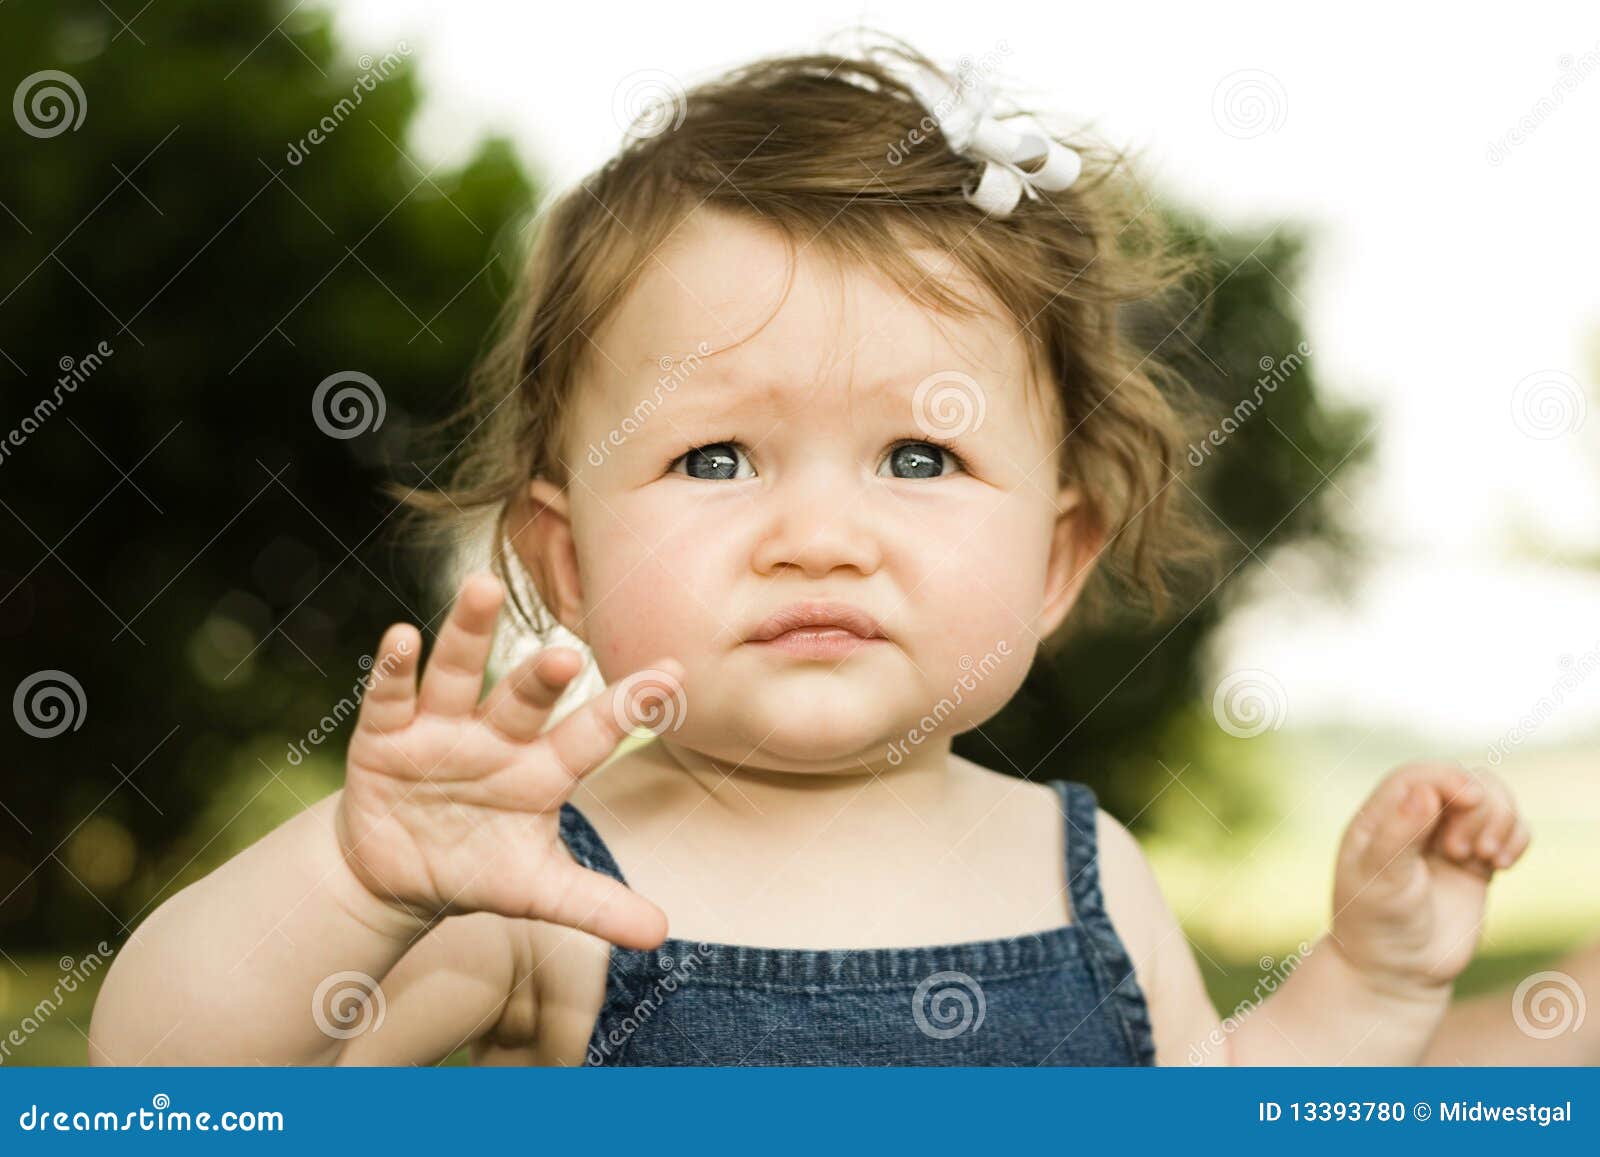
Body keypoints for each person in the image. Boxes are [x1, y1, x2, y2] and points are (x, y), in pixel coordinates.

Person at [91, 39, 1532, 1067]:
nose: (819, 537)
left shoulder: (1087, 870)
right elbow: (168, 1081)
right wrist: (360, 881)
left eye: (923, 456)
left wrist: (1370, 976)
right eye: (712, 457)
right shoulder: (538, 889)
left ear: (1054, 557)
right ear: (567, 557)